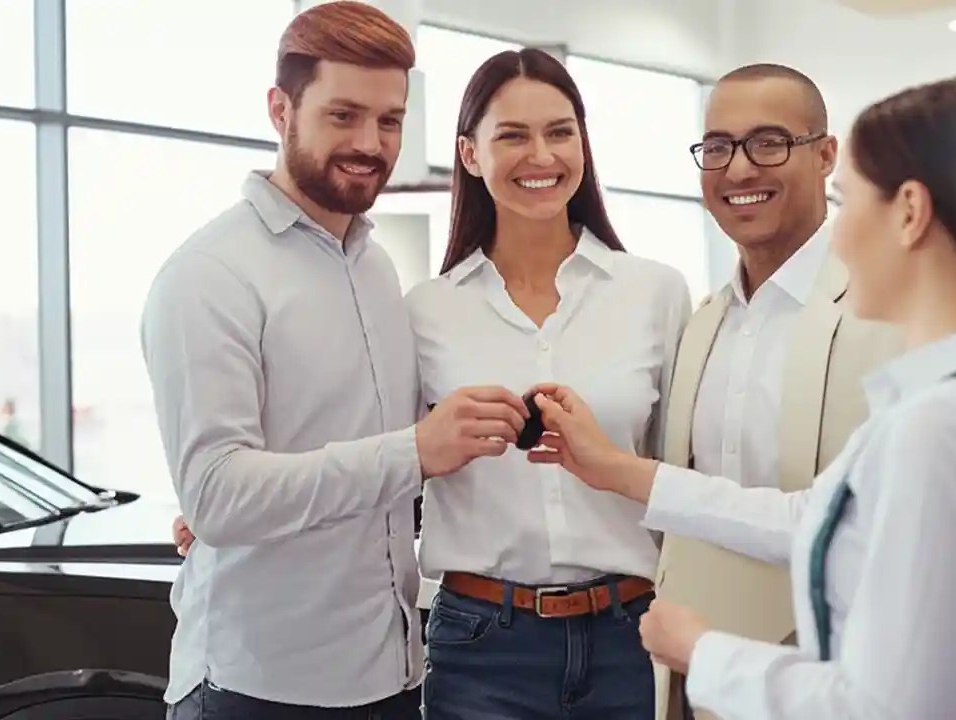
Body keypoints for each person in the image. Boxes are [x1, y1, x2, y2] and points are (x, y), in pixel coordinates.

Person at [527, 75, 956, 719]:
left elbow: (890, 707)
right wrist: (616, 469)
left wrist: (705, 653)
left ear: (910, 212)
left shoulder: (944, 427)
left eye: (847, 199)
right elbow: (810, 516)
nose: (840, 234)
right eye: (719, 147)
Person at [140, 3, 528, 717]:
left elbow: (352, 450)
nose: (370, 144)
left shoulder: (376, 268)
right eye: (343, 115)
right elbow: (218, 497)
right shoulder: (209, 275)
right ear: (280, 109)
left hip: (390, 673)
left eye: (390, 120)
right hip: (256, 689)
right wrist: (415, 450)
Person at [407, 48, 690, 719]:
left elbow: (683, 472)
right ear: (469, 154)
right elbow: (384, 462)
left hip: (628, 637)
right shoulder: (425, 311)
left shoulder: (654, 293)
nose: (542, 155)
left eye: (560, 132)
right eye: (512, 135)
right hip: (480, 646)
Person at [643, 62, 906, 720]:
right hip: (697, 671)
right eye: (719, 147)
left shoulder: (887, 311)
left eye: (768, 143)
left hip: (838, 678)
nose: (738, 170)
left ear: (825, 156)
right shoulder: (703, 322)